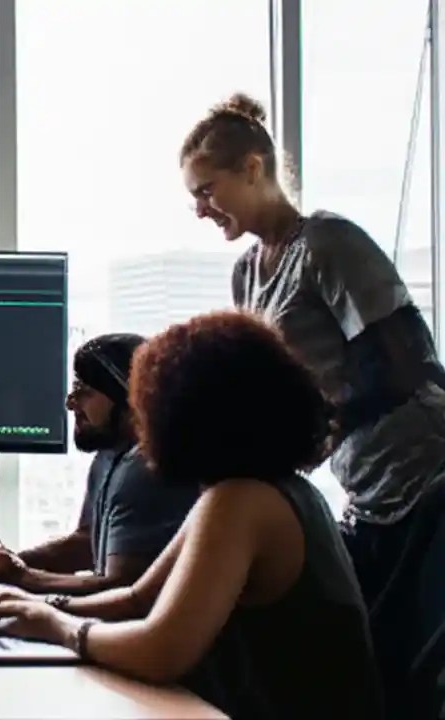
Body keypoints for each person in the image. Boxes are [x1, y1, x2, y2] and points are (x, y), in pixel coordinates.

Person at [0, 311, 381, 719]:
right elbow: (138, 599)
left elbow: (160, 651)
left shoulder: (241, 503)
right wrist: (37, 604)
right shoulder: (277, 489)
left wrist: (57, 626)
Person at [179, 93, 445, 607]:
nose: (200, 210)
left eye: (207, 191)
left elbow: (407, 361)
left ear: (253, 169)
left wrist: (319, 432)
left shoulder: (329, 243)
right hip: (366, 485)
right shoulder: (246, 274)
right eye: (194, 197)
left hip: (426, 472)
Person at [0, 334, 198, 595]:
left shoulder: (145, 470)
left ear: (130, 400)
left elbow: (123, 591)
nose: (70, 402)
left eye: (84, 391)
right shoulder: (110, 456)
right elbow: (86, 544)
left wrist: (23, 579)